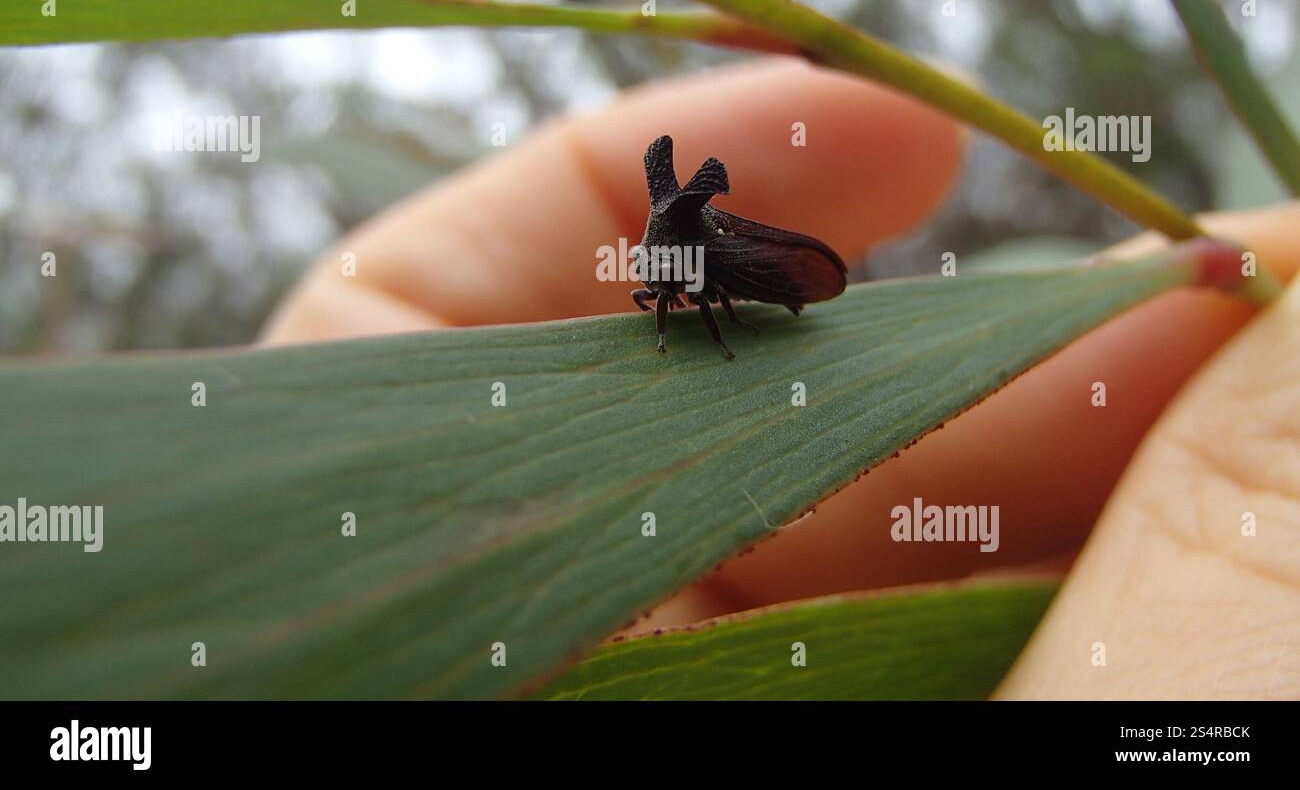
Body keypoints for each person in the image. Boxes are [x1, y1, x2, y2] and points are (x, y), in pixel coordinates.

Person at [262, 59, 1300, 699]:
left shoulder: (696, 250)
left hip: (770, 283)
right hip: (734, 280)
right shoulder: (659, 260)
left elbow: (730, 277)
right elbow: (664, 285)